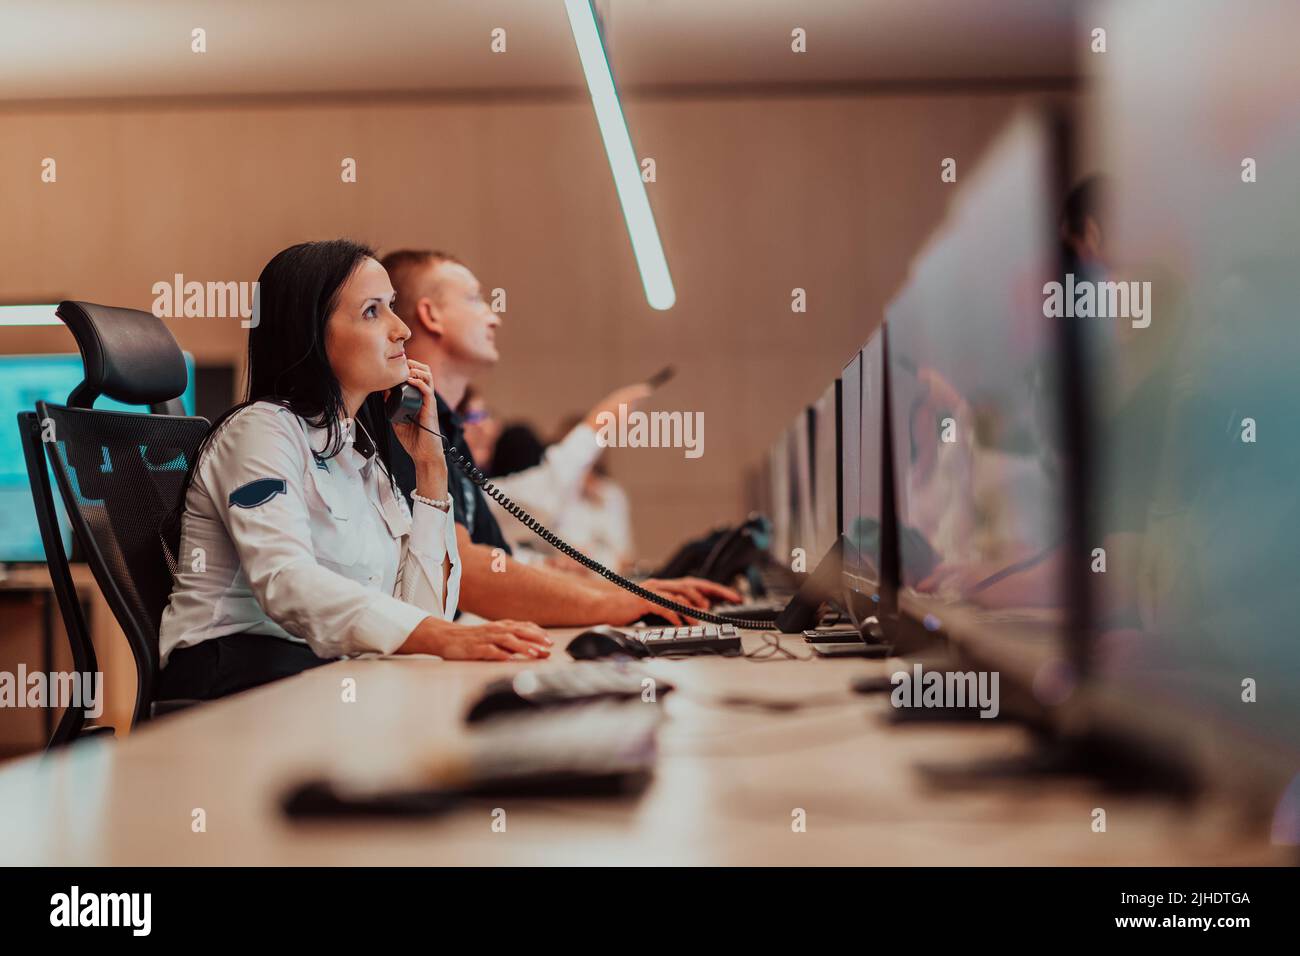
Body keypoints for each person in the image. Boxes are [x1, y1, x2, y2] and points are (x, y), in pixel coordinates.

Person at [158, 240, 551, 701]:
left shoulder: (359, 454)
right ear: (311, 335)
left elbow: (424, 614)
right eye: (372, 312)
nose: (401, 329)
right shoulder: (260, 432)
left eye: (393, 308)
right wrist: (438, 637)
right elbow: (286, 582)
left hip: (312, 673)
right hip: (232, 677)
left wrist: (430, 469)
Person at [378, 248, 740, 625]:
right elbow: (464, 569)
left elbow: (496, 561)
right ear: (431, 315)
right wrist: (617, 604)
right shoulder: (404, 421)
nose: (494, 316)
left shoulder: (447, 429)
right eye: (474, 299)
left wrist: (632, 593)